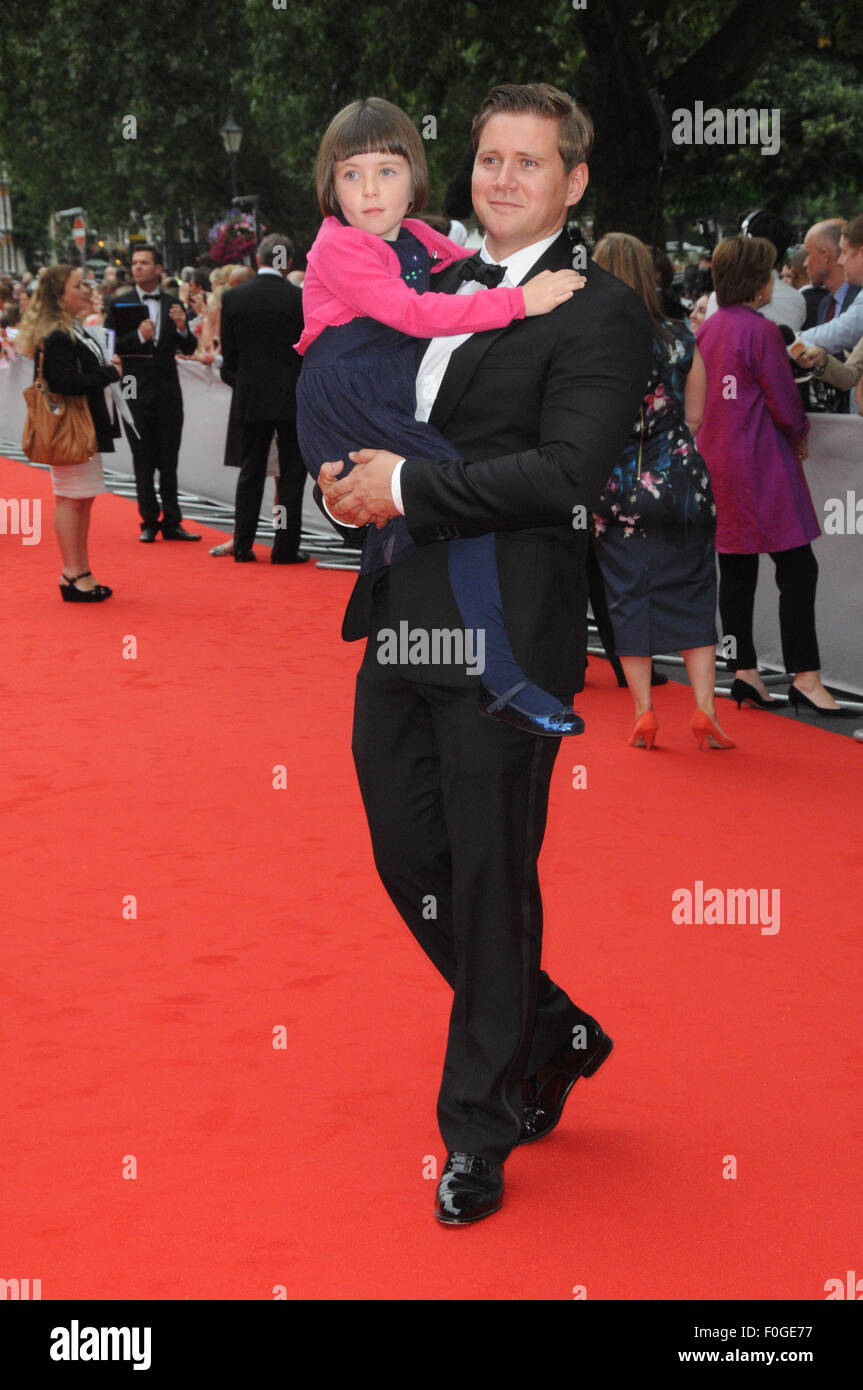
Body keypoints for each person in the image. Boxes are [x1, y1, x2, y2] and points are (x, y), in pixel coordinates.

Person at [319, 82, 652, 1223]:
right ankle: (549, 1029)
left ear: (572, 181)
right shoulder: (427, 282)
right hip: (401, 611)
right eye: (488, 159)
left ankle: (480, 1121)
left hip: (506, 629)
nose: (502, 179)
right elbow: (369, 408)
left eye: (528, 162)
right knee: (407, 859)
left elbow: (562, 474)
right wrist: (345, 476)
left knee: (489, 872)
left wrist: (405, 482)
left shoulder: (600, 312)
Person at [297, 96, 587, 735]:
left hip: (379, 389)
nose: (370, 191)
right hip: (349, 394)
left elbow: (461, 267)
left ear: (414, 178)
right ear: (331, 184)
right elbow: (414, 314)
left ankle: (394, 583)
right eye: (351, 174)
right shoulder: (339, 249)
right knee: (451, 491)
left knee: (436, 500)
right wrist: (518, 301)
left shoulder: (415, 236)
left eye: (387, 172)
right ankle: (502, 677)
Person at [697, 236, 852, 718]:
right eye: (768, 273)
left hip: (719, 460)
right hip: (761, 463)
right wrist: (800, 431)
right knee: (798, 569)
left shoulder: (708, 329)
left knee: (737, 570)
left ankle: (743, 670)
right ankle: (805, 677)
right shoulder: (762, 332)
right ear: (756, 282)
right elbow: (785, 404)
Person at [591, 234, 729, 751]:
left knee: (627, 595)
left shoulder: (591, 342)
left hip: (618, 488)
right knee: (695, 587)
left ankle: (645, 712)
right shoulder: (680, 336)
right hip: (682, 482)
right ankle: (704, 709)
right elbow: (695, 416)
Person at [17, 264, 122, 601]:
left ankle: (80, 570)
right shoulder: (58, 334)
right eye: (78, 285)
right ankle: (73, 572)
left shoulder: (70, 329)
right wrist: (107, 374)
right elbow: (61, 382)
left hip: (82, 425)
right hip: (70, 426)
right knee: (71, 499)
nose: (86, 289)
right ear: (60, 295)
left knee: (82, 499)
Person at [218, 233, 309, 564]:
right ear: (287, 263)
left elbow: (228, 359)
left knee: (251, 472)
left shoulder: (233, 298)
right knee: (289, 477)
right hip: (290, 398)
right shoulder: (298, 299)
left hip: (251, 396)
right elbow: (306, 352)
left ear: (258, 260)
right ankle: (283, 547)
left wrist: (241, 383)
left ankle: (242, 544)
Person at [104, 243, 200, 542]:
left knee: (169, 459)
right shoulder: (118, 303)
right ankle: (148, 520)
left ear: (158, 268)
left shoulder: (173, 303)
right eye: (135, 263)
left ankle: (172, 520)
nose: (138, 267)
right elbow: (111, 347)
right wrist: (138, 336)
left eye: (144, 262)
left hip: (168, 392)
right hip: (133, 390)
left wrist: (183, 328)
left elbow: (188, 349)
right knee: (142, 459)